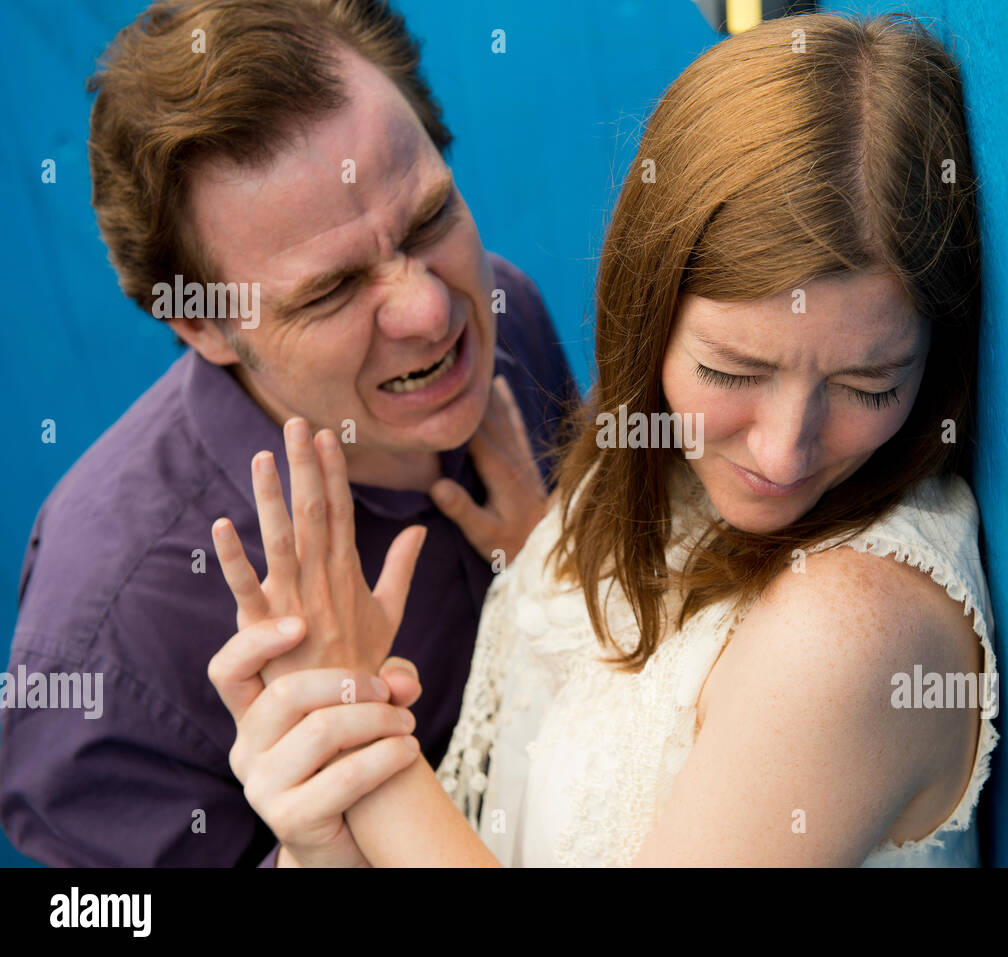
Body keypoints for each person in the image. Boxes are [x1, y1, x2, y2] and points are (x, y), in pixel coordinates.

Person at [207, 10, 999, 867]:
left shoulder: (852, 635)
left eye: (867, 385)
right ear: (646, 312)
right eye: (733, 372)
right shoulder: (634, 479)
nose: (782, 453)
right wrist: (319, 838)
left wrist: (365, 758)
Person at [0, 0, 576, 866]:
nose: (431, 309)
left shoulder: (508, 316)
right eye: (332, 291)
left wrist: (557, 570)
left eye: (430, 220)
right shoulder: (102, 641)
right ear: (201, 325)